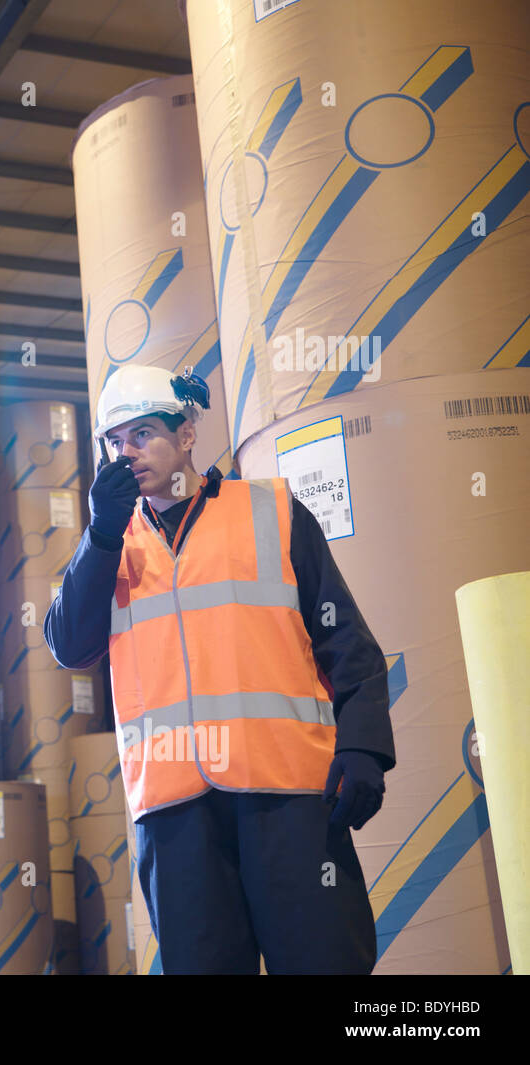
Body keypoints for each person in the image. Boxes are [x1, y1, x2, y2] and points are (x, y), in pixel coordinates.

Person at [44, 364, 395, 975]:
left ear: (186, 435)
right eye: (114, 441)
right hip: (175, 817)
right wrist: (98, 536)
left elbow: (346, 641)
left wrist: (364, 746)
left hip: (286, 797)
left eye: (145, 433)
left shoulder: (273, 512)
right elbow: (70, 646)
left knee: (325, 961)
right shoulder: (110, 545)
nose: (128, 454)